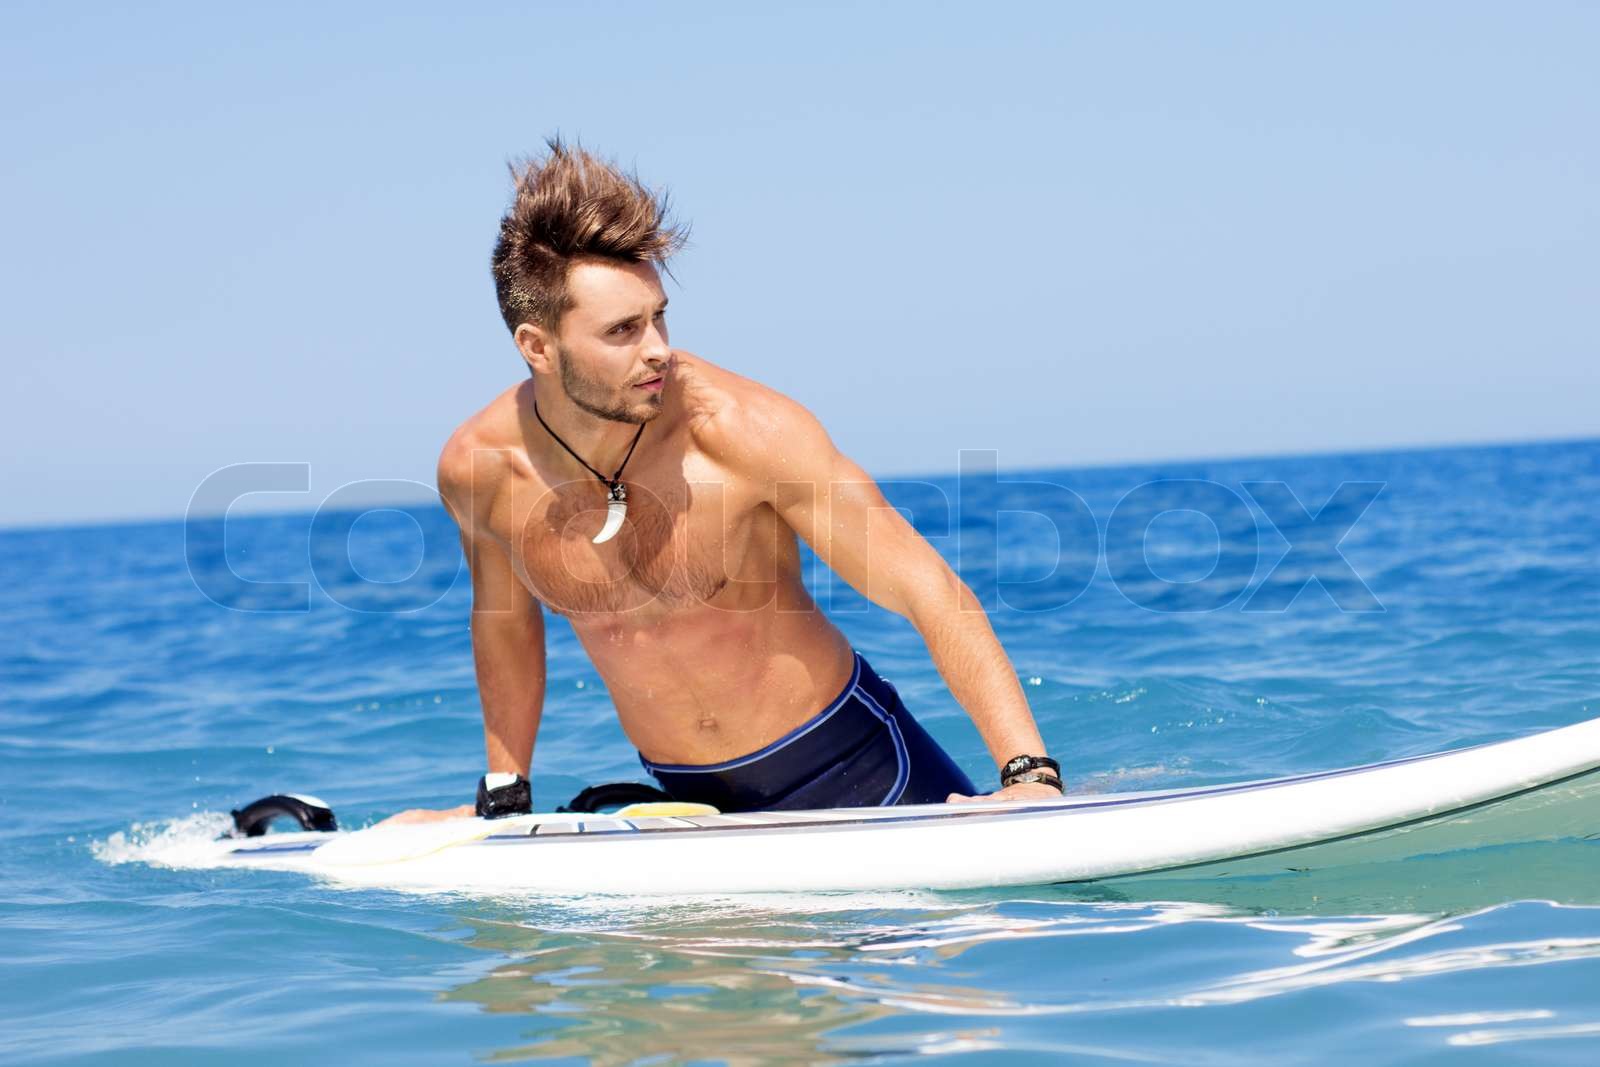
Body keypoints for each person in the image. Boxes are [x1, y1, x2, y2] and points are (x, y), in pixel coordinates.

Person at [385, 140, 1061, 824]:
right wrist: (504, 795)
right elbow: (504, 623)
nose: (658, 348)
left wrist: (1028, 773)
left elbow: (927, 586)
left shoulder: (743, 435)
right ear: (537, 346)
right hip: (692, 808)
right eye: (623, 329)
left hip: (856, 770)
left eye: (659, 315)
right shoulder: (480, 470)